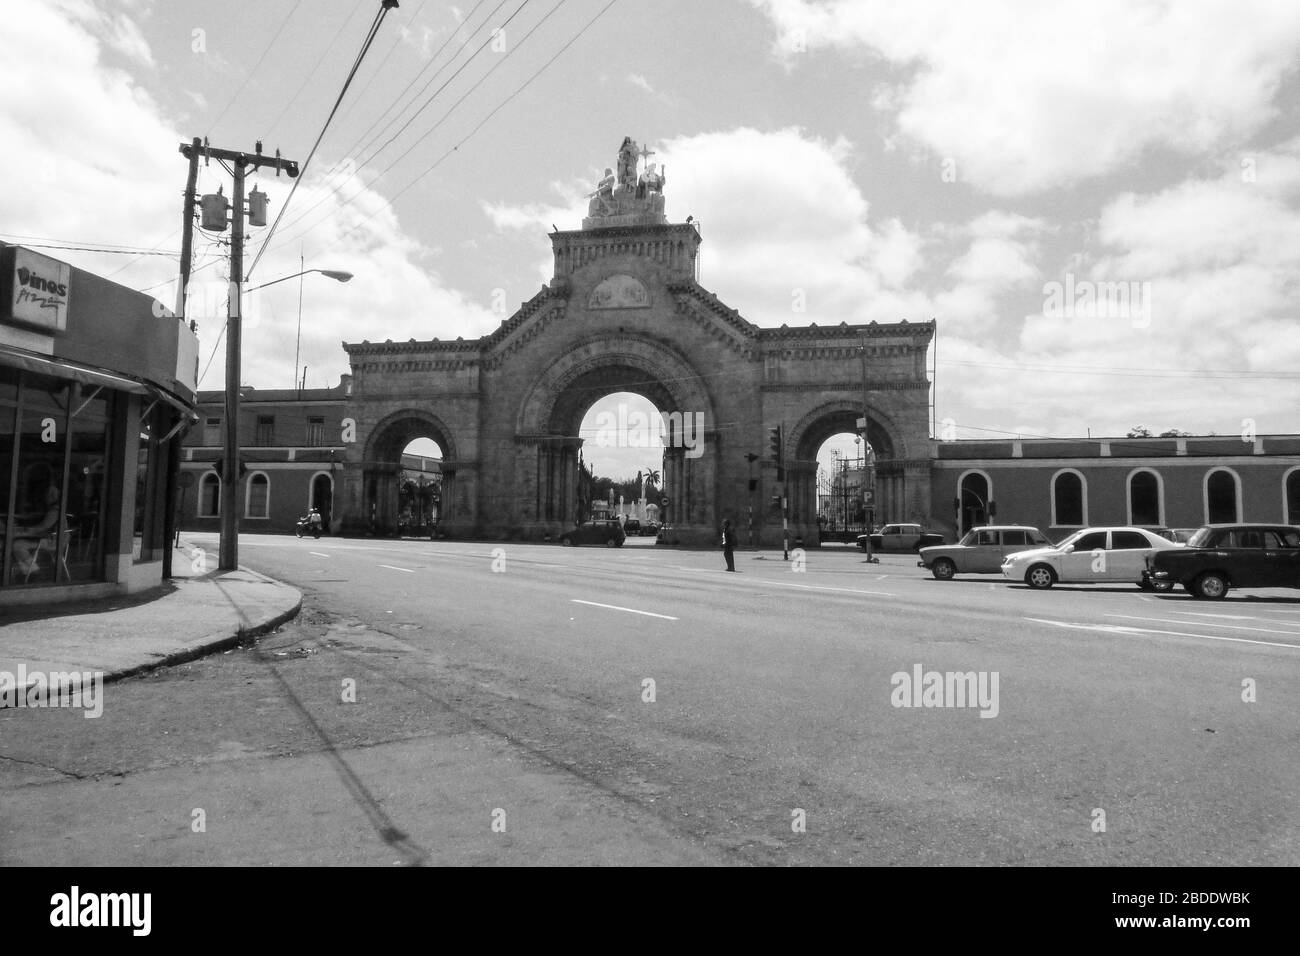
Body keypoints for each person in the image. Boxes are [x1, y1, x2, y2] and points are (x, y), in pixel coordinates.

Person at [9, 486, 62, 577]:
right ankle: (25, 570)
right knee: (17, 543)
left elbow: (42, 527)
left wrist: (25, 531)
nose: (45, 498)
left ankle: (33, 572)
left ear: (51, 498)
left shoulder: (54, 512)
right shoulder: (55, 510)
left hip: (53, 542)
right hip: (52, 540)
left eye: (47, 496)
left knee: (17, 545)